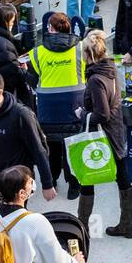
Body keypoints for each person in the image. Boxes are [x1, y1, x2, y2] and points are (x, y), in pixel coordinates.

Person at [75, 30, 132, 239]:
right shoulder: (111, 69)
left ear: (88, 55)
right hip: (117, 130)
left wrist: (83, 113)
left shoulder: (95, 80)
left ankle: (82, 227)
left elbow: (102, 113)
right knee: (122, 175)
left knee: (86, 176)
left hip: (101, 135)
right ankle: (126, 224)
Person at [25, 11, 86, 197]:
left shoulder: (36, 52)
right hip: (75, 109)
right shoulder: (81, 49)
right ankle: (74, 185)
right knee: (73, 147)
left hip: (47, 112)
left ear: (50, 29)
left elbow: (33, 81)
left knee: (51, 148)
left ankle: (52, 181)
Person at [0, 70, 55, 199]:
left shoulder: (21, 115)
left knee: (15, 216)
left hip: (17, 181)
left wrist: (47, 184)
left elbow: (38, 150)